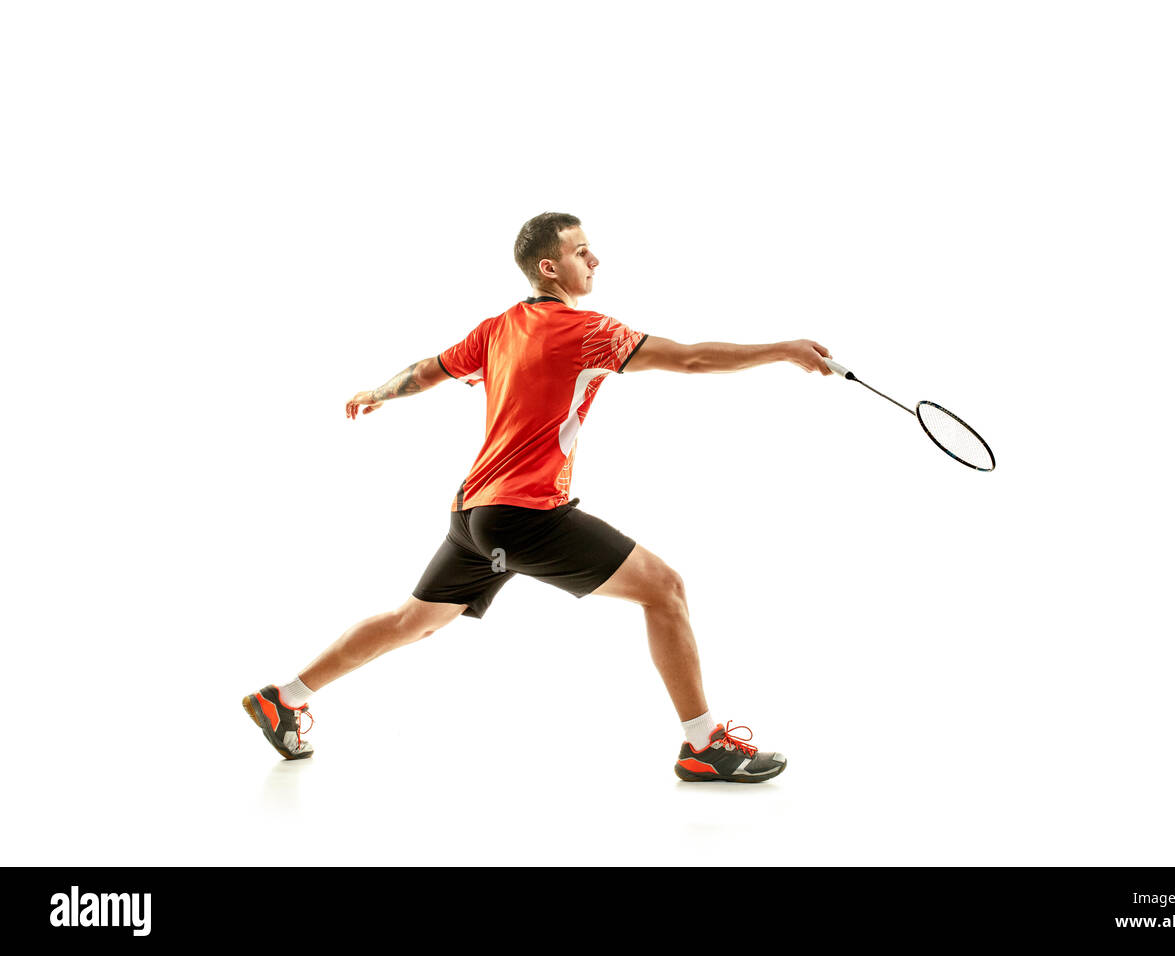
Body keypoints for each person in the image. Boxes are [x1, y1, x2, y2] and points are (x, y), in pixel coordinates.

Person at [242, 212, 833, 782]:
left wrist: (377, 392)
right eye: (581, 251)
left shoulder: (498, 327)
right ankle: (705, 746)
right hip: (526, 515)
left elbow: (427, 372)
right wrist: (782, 350)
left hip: (473, 514)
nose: (594, 257)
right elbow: (690, 358)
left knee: (412, 621)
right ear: (549, 267)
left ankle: (284, 699)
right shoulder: (591, 331)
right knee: (665, 589)